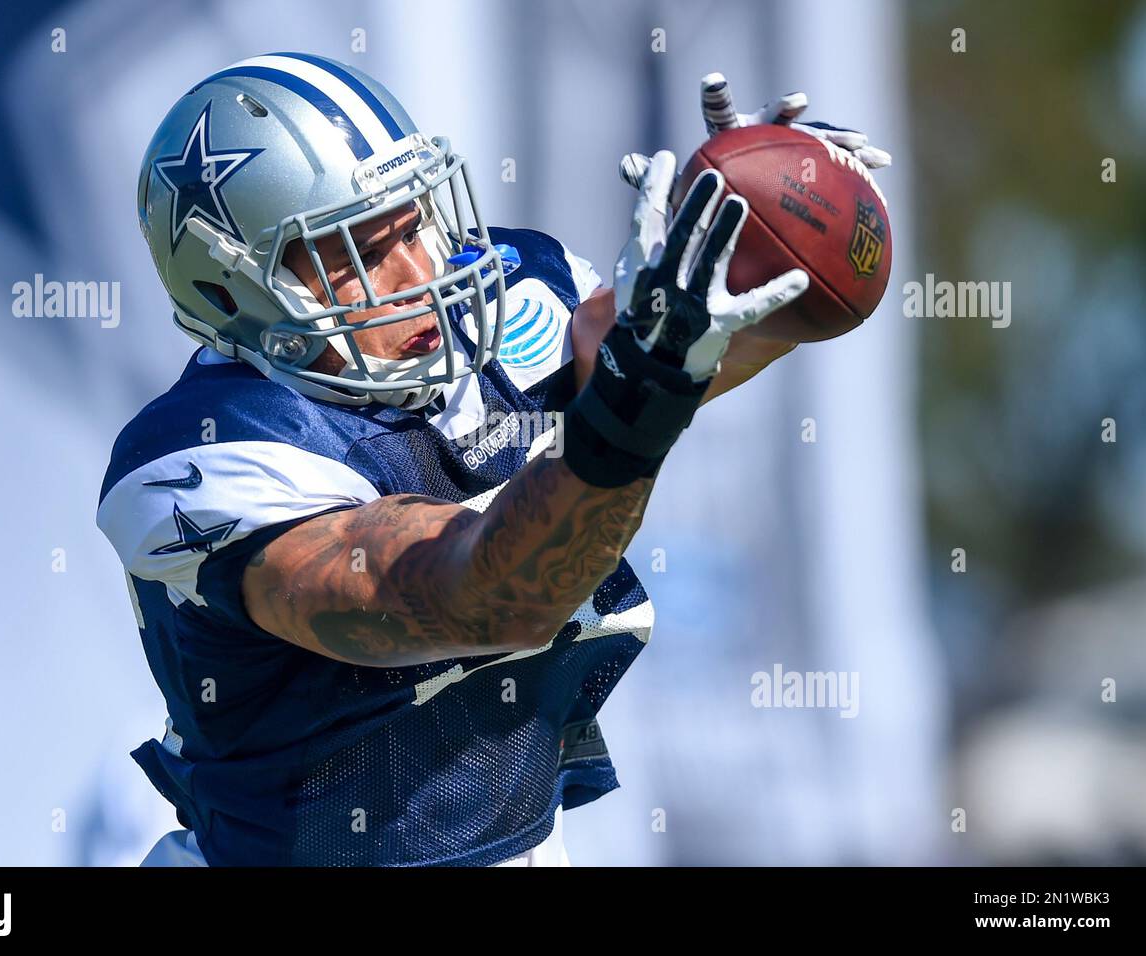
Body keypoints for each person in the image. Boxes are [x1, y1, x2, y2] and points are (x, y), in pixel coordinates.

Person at [96, 53, 888, 866]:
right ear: (232, 287)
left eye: (414, 223)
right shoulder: (209, 454)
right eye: (353, 253)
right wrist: (637, 389)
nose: (420, 275)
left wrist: (765, 236)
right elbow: (480, 597)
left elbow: (688, 340)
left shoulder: (512, 303)